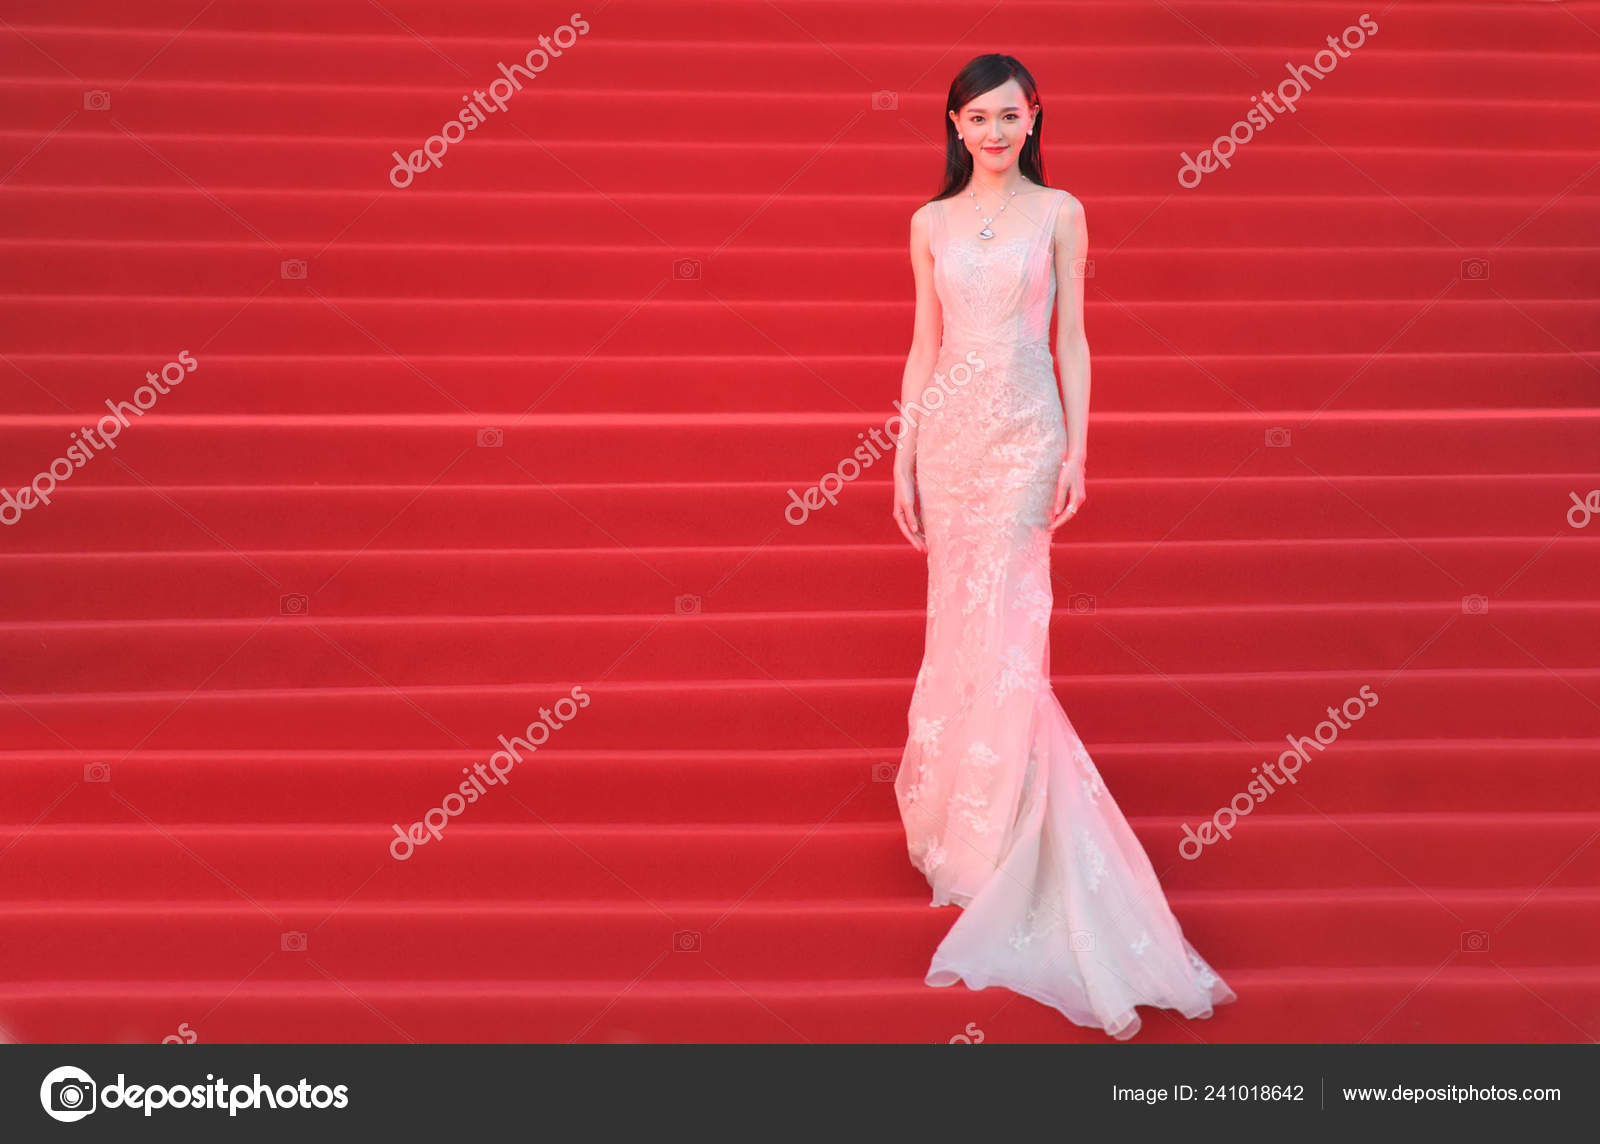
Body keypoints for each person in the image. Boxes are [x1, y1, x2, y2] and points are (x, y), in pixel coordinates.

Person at [890, 53, 1236, 1040]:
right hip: (952, 438)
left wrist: (1081, 447)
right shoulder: (926, 225)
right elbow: (921, 343)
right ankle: (963, 820)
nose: (993, 134)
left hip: (1025, 435)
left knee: (1011, 626)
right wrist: (901, 455)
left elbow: (1072, 338)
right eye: (976, 120)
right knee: (956, 624)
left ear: (1033, 116)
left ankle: (1009, 826)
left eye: (1009, 117)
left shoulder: (1061, 212)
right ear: (953, 127)